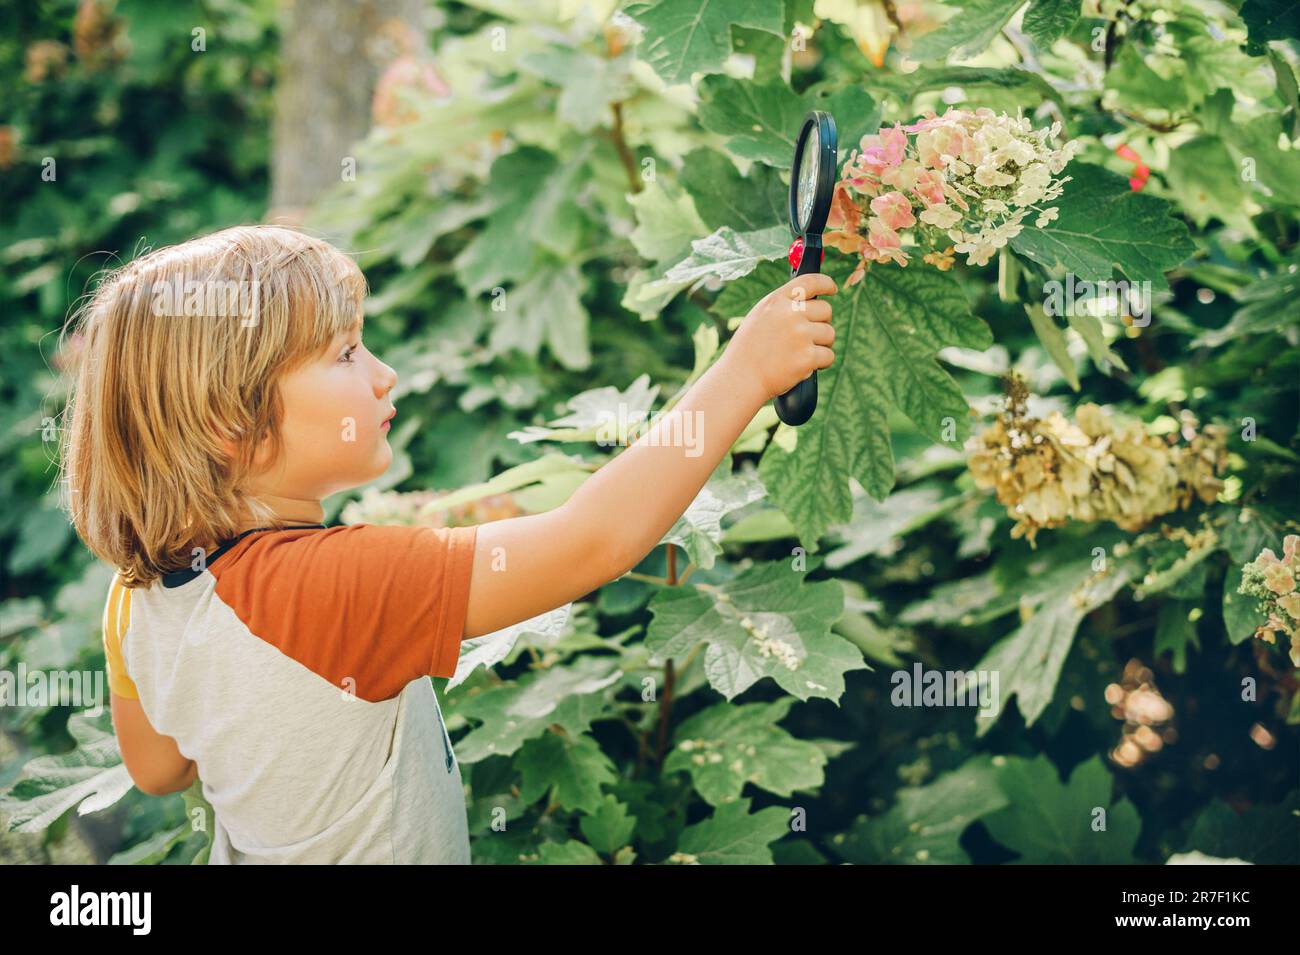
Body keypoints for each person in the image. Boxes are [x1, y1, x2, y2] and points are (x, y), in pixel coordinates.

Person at [60, 223, 837, 863]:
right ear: (231, 425)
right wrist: (747, 370)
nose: (384, 374)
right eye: (345, 353)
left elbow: (157, 769)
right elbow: (595, 540)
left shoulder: (137, 597)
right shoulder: (338, 585)